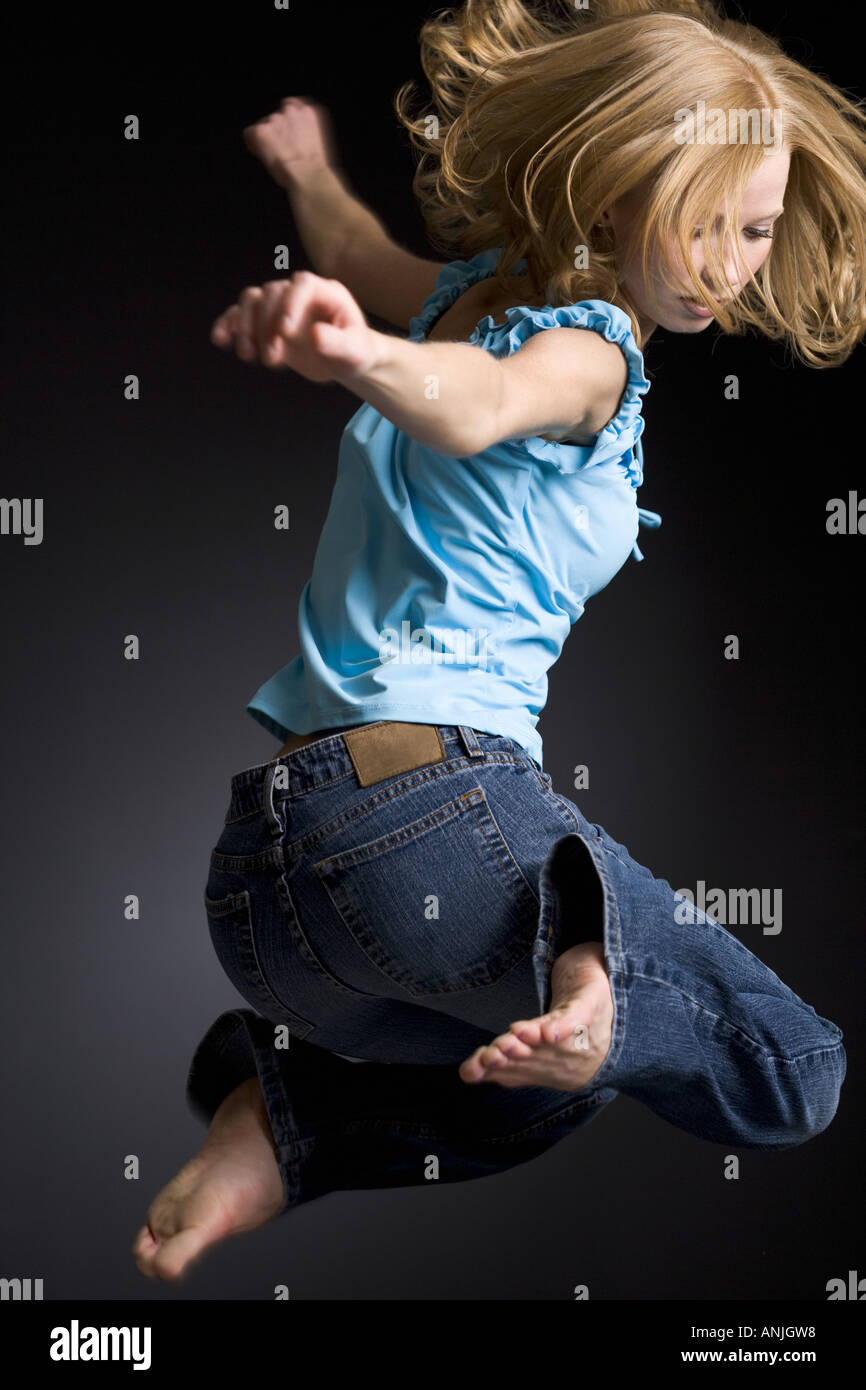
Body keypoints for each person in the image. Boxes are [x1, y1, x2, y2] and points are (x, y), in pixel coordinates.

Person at [133, 0, 864, 1282]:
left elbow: (362, 254)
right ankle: (591, 967)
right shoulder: (587, 352)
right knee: (795, 1065)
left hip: (277, 884)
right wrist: (363, 357)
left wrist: (310, 184)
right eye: (705, 225)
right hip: (431, 825)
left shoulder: (467, 297)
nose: (735, 264)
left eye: (753, 230)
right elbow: (481, 406)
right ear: (611, 188)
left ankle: (284, 1125)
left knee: (560, 1082)